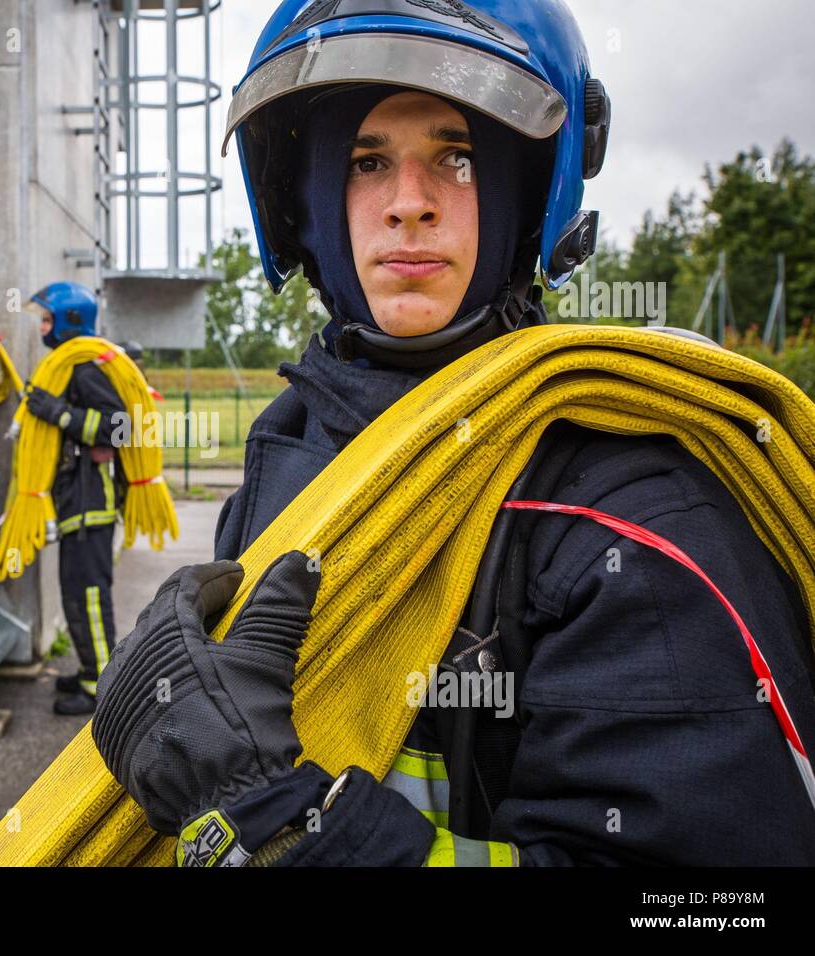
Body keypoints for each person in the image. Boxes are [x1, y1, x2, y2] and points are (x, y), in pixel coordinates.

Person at [90, 0, 815, 865]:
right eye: (366, 162)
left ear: (529, 198)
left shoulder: (633, 520)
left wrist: (278, 826)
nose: (408, 205)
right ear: (311, 203)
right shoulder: (289, 449)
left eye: (458, 158)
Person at [23, 283, 127, 716]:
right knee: (73, 593)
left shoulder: (84, 370)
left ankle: (103, 688)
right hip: (75, 502)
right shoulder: (67, 369)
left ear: (68, 322)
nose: (43, 327)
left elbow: (119, 426)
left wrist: (58, 413)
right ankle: (89, 669)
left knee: (87, 594)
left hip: (91, 503)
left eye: (47, 319)